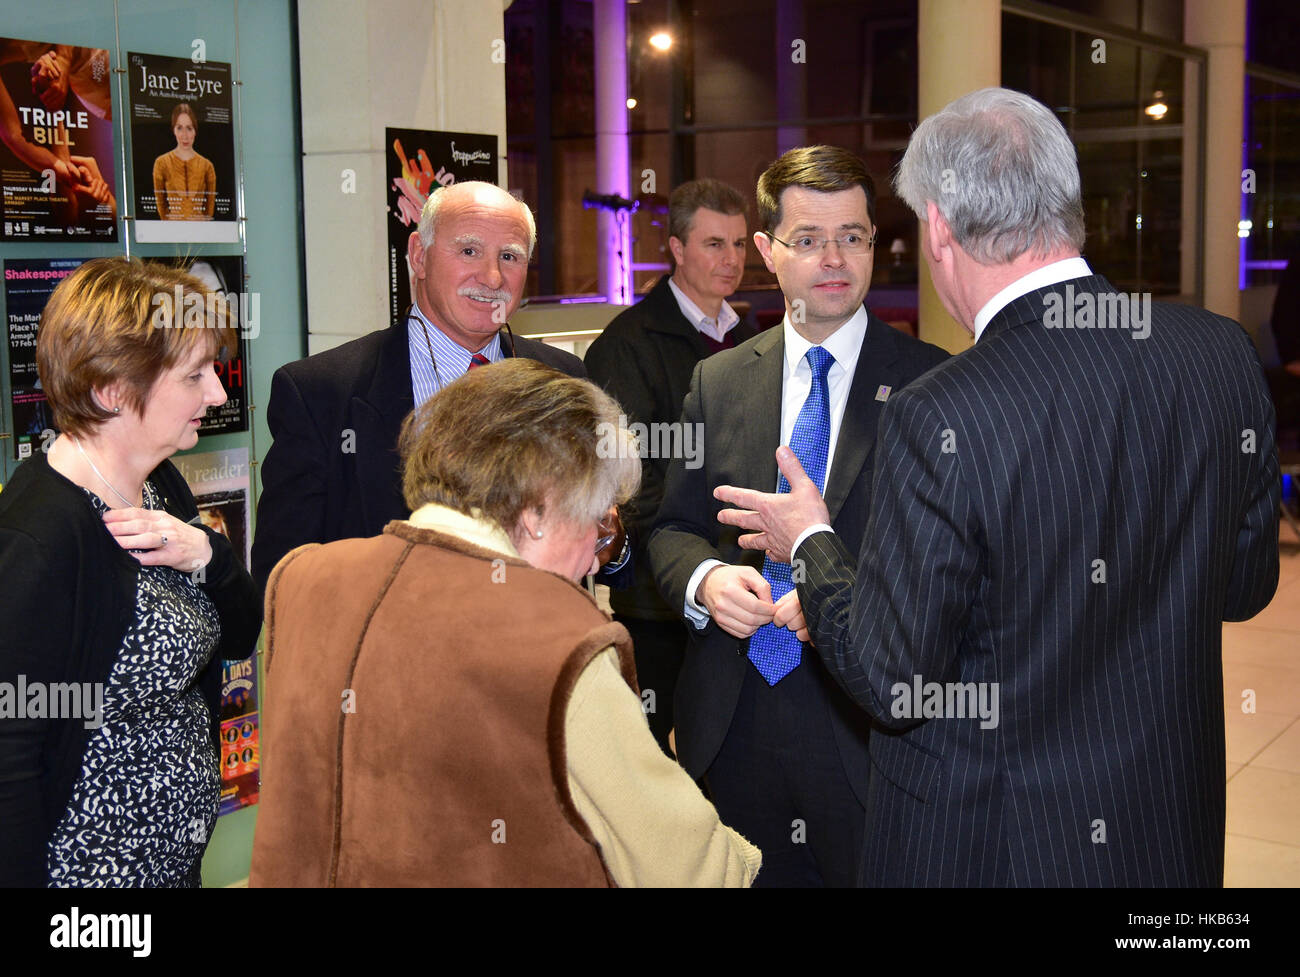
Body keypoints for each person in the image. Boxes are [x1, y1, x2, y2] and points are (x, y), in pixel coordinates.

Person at [713, 88, 1281, 887]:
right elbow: (1246, 586)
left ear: (940, 228)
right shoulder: (1219, 354)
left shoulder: (943, 409)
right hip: (1166, 832)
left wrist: (810, 540)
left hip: (993, 848)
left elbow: (894, 680)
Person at [250, 359, 761, 887]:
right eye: (598, 522)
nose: (596, 558)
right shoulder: (559, 636)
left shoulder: (303, 578)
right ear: (539, 508)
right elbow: (687, 866)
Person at [647, 146, 948, 886]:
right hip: (733, 717)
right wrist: (707, 581)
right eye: (809, 239)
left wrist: (842, 591)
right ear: (767, 251)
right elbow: (670, 529)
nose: (835, 257)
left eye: (854, 235)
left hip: (866, 729)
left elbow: (951, 569)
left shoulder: (933, 385)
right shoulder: (718, 381)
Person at [0, 257, 262, 887]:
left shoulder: (161, 486)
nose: (218, 394)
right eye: (194, 375)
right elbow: (10, 753)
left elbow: (237, 637)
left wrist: (208, 556)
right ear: (112, 390)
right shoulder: (40, 534)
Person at [251, 180, 629, 593]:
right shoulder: (323, 392)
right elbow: (282, 575)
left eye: (509, 256)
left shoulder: (564, 379)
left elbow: (615, 556)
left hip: (539, 645)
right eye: (468, 251)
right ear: (419, 256)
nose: (491, 276)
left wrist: (612, 540)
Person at [584, 178, 757, 757]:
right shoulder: (627, 343)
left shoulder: (751, 336)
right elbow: (628, 480)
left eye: (738, 244)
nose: (730, 260)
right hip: (661, 599)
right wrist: (702, 559)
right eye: (713, 244)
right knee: (658, 761)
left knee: (731, 753)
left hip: (745, 584)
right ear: (678, 250)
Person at [152, 102, 216, 221]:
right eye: (179, 128)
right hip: (172, 232)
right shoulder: (161, 163)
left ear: (195, 131)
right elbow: (161, 205)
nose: (184, 135)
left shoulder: (207, 166)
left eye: (189, 128)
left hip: (200, 231)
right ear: (174, 130)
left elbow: (210, 208)